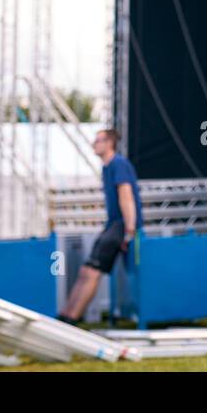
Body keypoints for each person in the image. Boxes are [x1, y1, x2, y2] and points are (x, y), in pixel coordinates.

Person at [58, 128, 140, 325]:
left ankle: (71, 318)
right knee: (86, 271)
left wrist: (129, 229)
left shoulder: (118, 164)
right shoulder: (107, 167)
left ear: (110, 143)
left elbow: (126, 195)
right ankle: (66, 314)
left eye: (98, 141)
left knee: (93, 271)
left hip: (120, 226)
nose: (94, 144)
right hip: (113, 226)